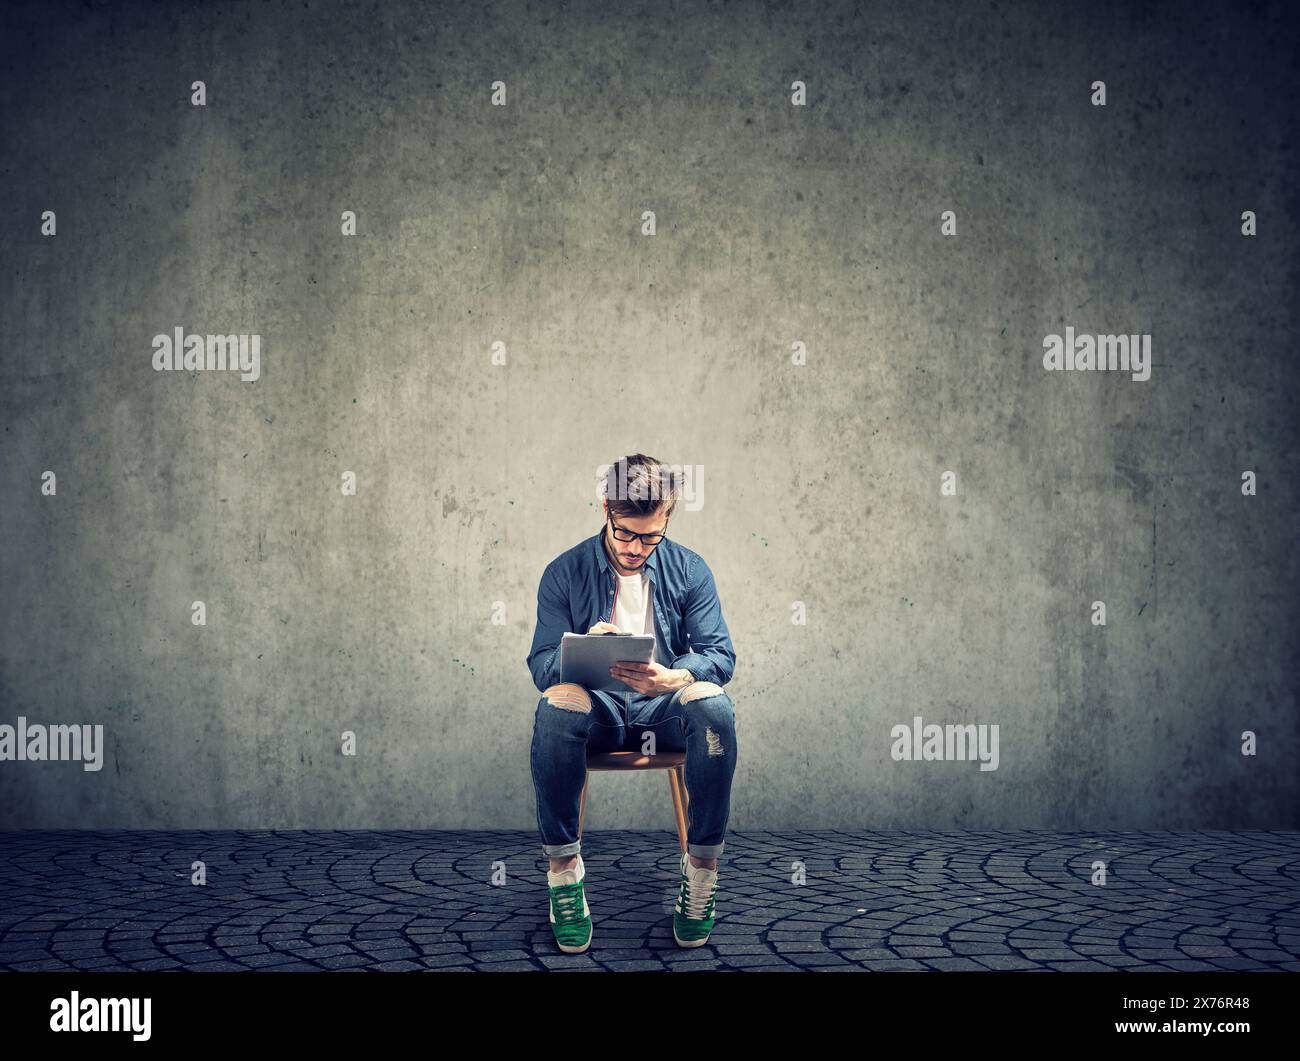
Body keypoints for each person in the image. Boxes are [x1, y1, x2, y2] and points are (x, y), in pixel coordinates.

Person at [526, 453, 738, 953]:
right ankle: (564, 874)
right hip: (597, 716)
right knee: (557, 703)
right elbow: (538, 665)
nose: (636, 548)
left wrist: (675, 676)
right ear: (606, 508)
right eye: (625, 533)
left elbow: (720, 655)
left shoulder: (690, 570)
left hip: (661, 713)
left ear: (667, 519)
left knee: (714, 705)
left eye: (650, 536)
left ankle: (702, 873)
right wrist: (579, 650)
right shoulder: (564, 571)